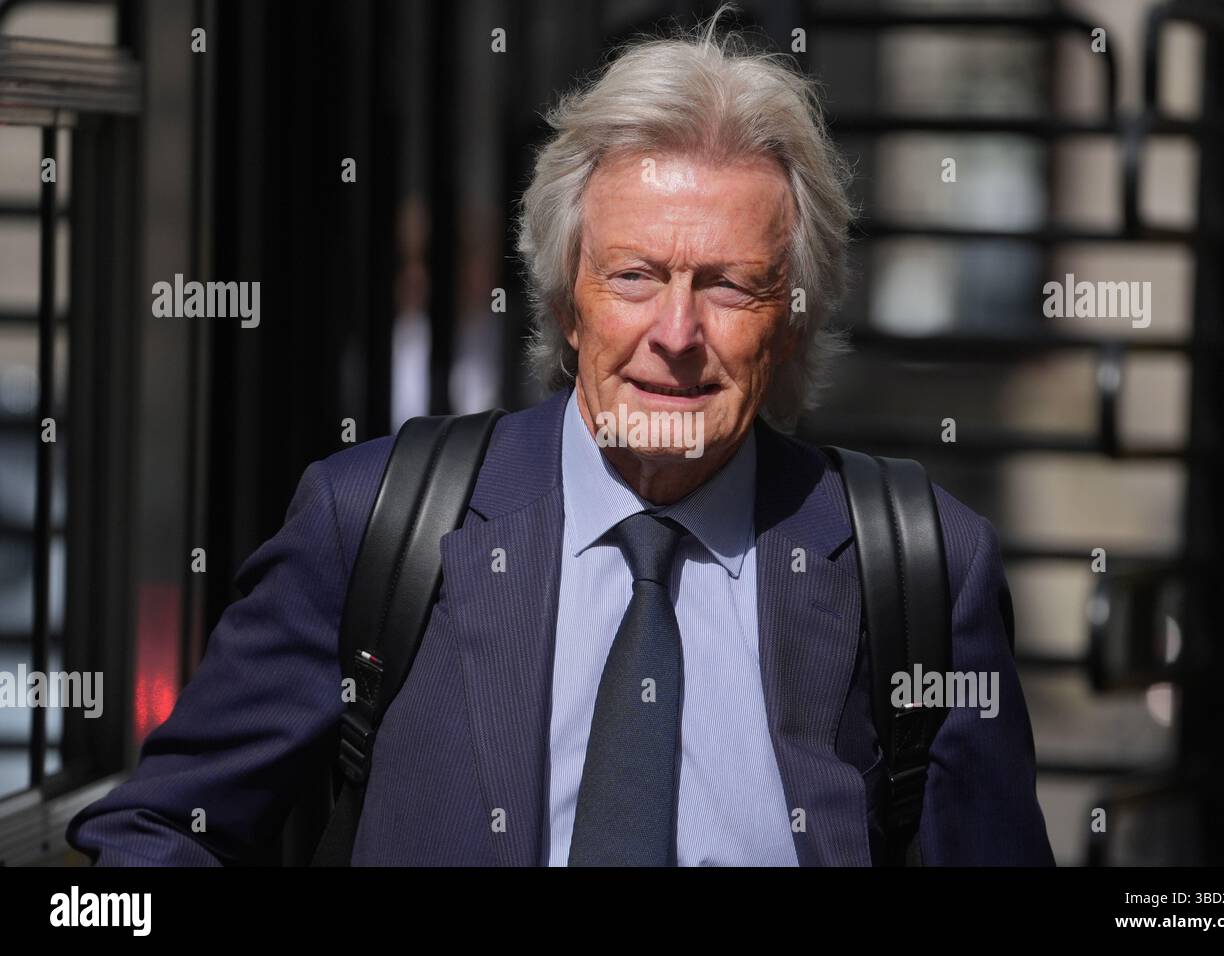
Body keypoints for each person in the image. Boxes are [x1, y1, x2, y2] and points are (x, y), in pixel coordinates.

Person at [66, 13, 1054, 867]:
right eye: (633, 276)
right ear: (566, 301)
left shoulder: (920, 567)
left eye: (726, 284)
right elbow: (164, 825)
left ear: (790, 317)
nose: (675, 333)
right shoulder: (370, 523)